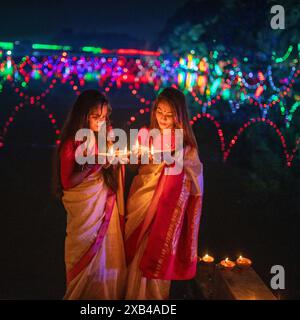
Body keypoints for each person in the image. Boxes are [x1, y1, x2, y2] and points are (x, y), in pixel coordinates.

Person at [124, 87, 204, 300]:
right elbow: (135, 162)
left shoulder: (186, 147)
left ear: (179, 117)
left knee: (153, 256)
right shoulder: (146, 135)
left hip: (165, 211)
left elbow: (195, 180)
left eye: (169, 115)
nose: (163, 118)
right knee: (133, 258)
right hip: (142, 198)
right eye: (160, 112)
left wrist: (173, 162)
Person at [56, 89, 126, 299]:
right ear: (83, 115)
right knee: (83, 264)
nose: (100, 122)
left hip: (104, 204)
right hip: (84, 210)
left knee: (108, 261)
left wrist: (114, 160)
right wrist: (93, 166)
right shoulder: (71, 143)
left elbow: (114, 160)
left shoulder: (106, 136)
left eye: (104, 117)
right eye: (96, 117)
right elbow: (67, 182)